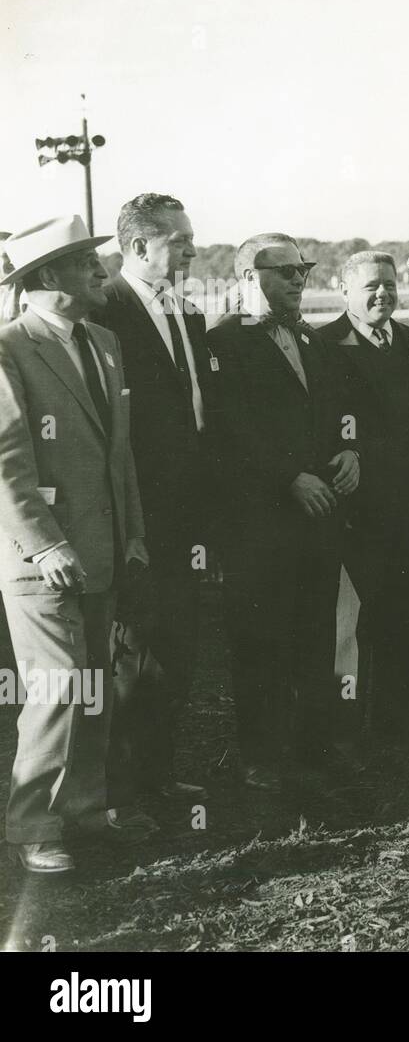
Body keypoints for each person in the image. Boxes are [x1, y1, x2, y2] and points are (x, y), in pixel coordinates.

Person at [0, 216, 154, 873]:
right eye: (85, 262)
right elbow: (6, 459)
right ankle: (33, 825)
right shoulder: (9, 348)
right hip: (44, 559)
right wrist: (42, 546)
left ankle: (84, 810)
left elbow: (121, 457)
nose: (100, 270)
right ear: (46, 277)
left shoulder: (106, 341)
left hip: (106, 546)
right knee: (59, 682)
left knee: (93, 683)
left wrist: (136, 535)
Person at [206, 233, 361, 790]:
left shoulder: (312, 340)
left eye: (304, 269)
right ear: (249, 277)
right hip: (260, 526)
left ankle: (316, 747)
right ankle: (262, 758)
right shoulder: (222, 342)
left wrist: (350, 450)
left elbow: (339, 412)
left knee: (315, 635)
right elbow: (227, 434)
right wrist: (287, 477)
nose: (300, 279)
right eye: (286, 271)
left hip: (317, 522)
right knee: (260, 639)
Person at [96, 193, 211, 804]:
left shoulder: (186, 313)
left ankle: (157, 777)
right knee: (130, 656)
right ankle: (120, 791)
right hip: (135, 517)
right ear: (139, 246)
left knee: (175, 650)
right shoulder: (104, 313)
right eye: (179, 239)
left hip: (187, 516)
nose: (192, 248)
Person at [319, 250, 409, 751]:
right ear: (344, 290)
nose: (381, 294)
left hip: (408, 510)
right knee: (349, 629)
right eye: (370, 286)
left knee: (407, 617)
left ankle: (398, 724)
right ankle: (346, 731)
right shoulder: (323, 344)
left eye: (389, 285)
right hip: (355, 516)